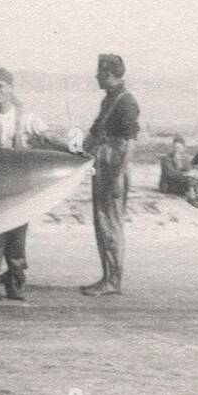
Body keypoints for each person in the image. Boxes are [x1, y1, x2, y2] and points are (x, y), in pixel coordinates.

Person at [0, 66, 74, 302]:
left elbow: (48, 136)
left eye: (0, 86)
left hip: (20, 190)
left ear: (10, 88)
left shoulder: (25, 118)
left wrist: (72, 149)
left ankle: (14, 279)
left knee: (17, 238)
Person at [81, 53, 140, 296]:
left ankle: (113, 281)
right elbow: (95, 132)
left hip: (114, 166)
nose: (96, 77)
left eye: (99, 73)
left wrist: (118, 177)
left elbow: (129, 143)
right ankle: (107, 277)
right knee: (102, 223)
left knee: (111, 225)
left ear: (108, 74)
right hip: (103, 162)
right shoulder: (109, 100)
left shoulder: (126, 102)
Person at [159, 135, 198, 207]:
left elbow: (189, 169)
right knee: (189, 177)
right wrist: (186, 174)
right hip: (168, 184)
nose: (176, 149)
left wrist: (194, 173)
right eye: (175, 147)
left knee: (195, 176)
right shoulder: (167, 158)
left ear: (183, 148)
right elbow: (171, 173)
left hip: (179, 182)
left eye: (179, 147)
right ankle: (192, 198)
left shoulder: (184, 158)